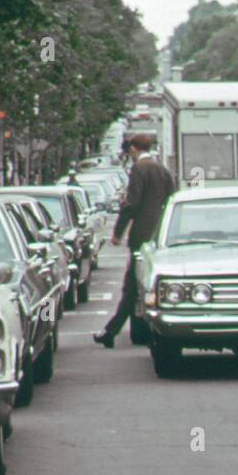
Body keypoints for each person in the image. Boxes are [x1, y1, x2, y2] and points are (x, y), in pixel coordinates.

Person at [94, 134, 177, 348]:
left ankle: (112, 332)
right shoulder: (162, 169)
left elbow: (132, 203)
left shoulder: (139, 169)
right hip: (159, 236)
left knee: (132, 287)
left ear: (133, 148)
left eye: (129, 149)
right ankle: (111, 330)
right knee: (141, 287)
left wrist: (118, 231)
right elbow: (171, 199)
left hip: (141, 236)